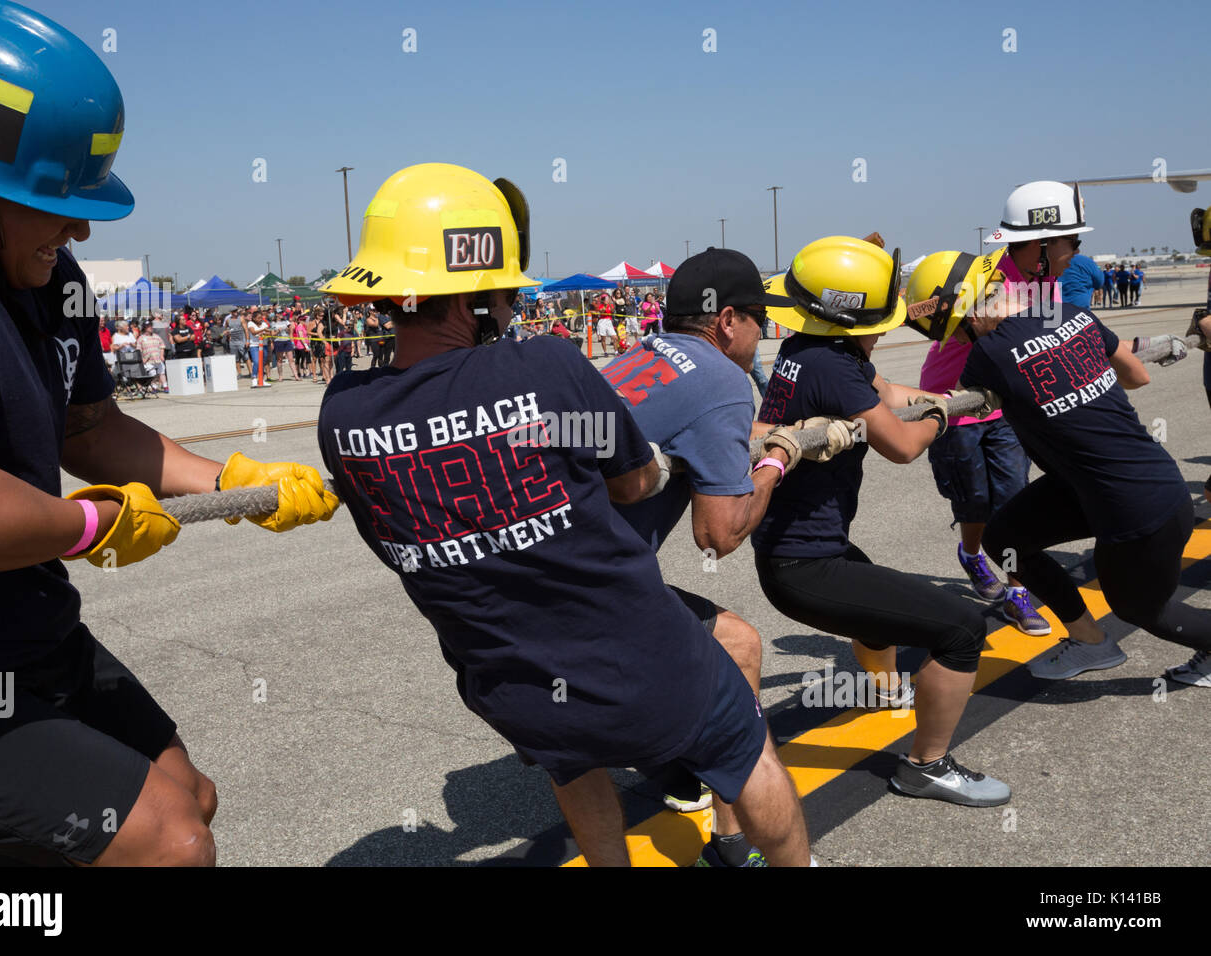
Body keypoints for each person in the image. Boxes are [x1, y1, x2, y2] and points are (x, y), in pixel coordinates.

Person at [0, 0, 337, 866]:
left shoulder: (44, 274)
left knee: (190, 795)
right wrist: (94, 524)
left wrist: (229, 480)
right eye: (56, 200)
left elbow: (90, 426)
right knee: (169, 846)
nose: (81, 228)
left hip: (16, 623)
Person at [318, 163, 811, 866]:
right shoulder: (544, 367)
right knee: (745, 746)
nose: (513, 305)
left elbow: (396, 540)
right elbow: (638, 482)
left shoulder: (343, 411)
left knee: (575, 759)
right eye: (504, 292)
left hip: (506, 678)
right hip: (627, 653)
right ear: (472, 296)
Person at [754, 236, 1011, 807]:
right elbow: (900, 444)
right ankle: (926, 766)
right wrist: (944, 417)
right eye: (881, 321)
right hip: (804, 565)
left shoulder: (808, 350)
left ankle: (883, 692)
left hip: (803, 550)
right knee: (961, 630)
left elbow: (889, 393)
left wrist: (958, 397)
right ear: (849, 319)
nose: (886, 330)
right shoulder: (836, 366)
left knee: (880, 615)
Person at [601, 247, 822, 866]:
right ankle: (732, 842)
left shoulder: (642, 352)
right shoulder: (725, 381)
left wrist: (755, 437)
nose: (766, 331)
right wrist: (776, 463)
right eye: (760, 318)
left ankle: (669, 758)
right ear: (727, 321)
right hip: (593, 582)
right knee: (741, 646)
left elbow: (686, 426)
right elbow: (717, 536)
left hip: (536, 564)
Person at [966, 181, 1208, 684]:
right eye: (1072, 243)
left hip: (1136, 504)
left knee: (1145, 611)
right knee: (1007, 536)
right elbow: (1136, 376)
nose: (1077, 253)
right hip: (1117, 485)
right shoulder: (1070, 311)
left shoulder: (994, 337)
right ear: (1041, 249)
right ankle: (1089, 641)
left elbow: (956, 391)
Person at [905, 249, 1050, 635]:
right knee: (974, 502)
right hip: (952, 403)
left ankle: (1018, 595)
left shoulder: (1049, 277)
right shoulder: (989, 271)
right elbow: (913, 311)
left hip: (1004, 405)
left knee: (1013, 499)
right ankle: (971, 555)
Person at [1059, 242, 1105, 311]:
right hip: (1080, 310)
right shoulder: (1087, 261)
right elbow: (1099, 283)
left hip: (1056, 311)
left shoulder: (1052, 262)